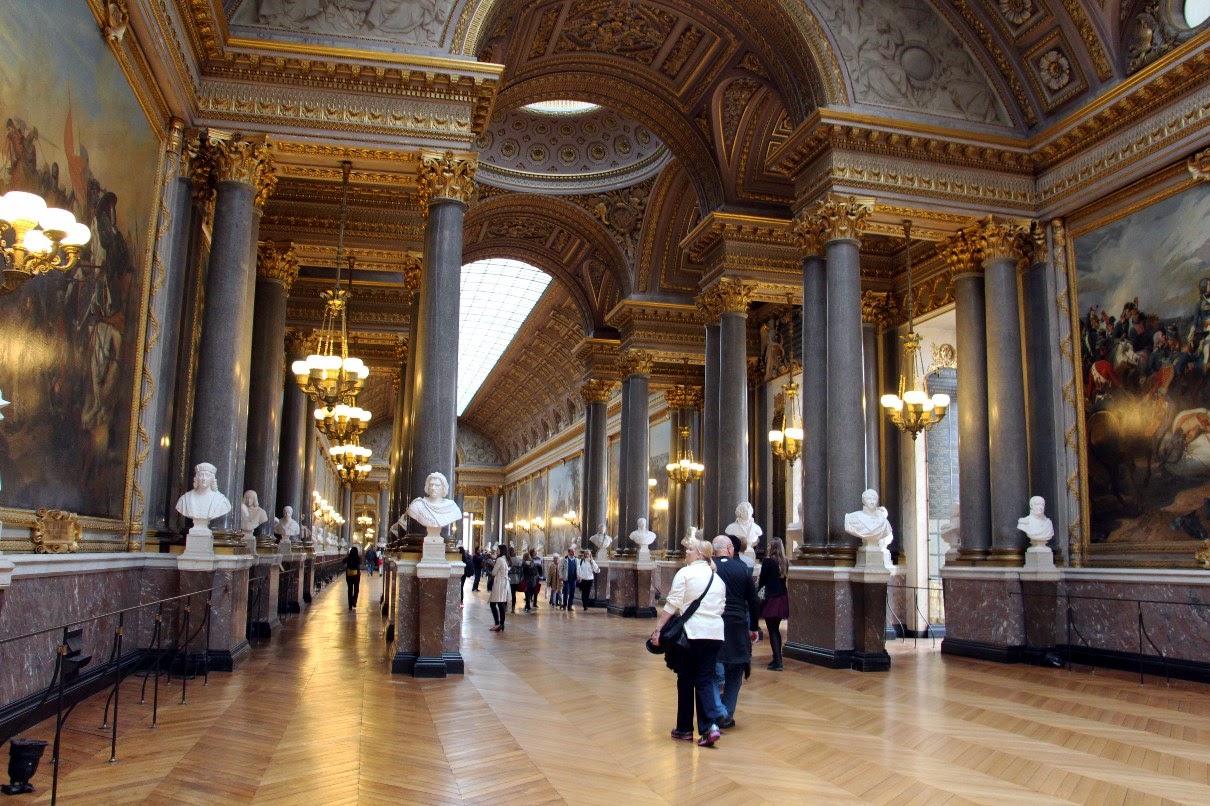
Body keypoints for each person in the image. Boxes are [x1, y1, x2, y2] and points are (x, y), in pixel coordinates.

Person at [650, 538, 727, 747]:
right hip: (715, 635)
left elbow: (673, 603)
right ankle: (707, 727)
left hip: (691, 634)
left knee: (685, 679)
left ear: (700, 555)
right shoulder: (717, 579)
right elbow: (721, 607)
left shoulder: (685, 573)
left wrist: (658, 630)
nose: (686, 553)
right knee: (704, 678)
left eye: (690, 550)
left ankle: (687, 728)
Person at [711, 534, 760, 727]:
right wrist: (754, 627)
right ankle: (726, 714)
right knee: (736, 672)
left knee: (712, 671)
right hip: (738, 625)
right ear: (730, 549)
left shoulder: (709, 568)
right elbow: (754, 600)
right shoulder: (741, 568)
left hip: (714, 624)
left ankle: (718, 711)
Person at [758, 537, 790, 671]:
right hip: (782, 597)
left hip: (771, 598)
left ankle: (777, 661)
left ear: (772, 547)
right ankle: (777, 658)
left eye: (769, 545)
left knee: (772, 630)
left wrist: (757, 594)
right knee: (775, 629)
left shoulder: (767, 562)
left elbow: (762, 581)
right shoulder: (785, 561)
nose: (768, 547)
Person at [725, 502, 762, 568]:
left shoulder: (756, 528)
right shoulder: (731, 528)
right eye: (745, 511)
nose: (748, 513)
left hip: (750, 551)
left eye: (749, 511)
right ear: (740, 513)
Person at [489, 548, 510, 632]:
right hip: (504, 583)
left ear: (501, 551)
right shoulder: (505, 559)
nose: (496, 551)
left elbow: (493, 573)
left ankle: (498, 624)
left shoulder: (500, 560)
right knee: (500, 604)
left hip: (499, 583)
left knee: (493, 603)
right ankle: (501, 624)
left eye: (498, 550)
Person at [560, 546, 578, 611]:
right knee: (566, 591)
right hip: (566, 578)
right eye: (572, 551)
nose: (573, 553)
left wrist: (579, 576)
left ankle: (570, 605)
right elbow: (560, 568)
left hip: (573, 578)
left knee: (572, 592)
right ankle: (564, 604)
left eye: (574, 551)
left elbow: (578, 569)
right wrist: (561, 577)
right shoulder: (564, 559)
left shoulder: (576, 560)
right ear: (569, 552)